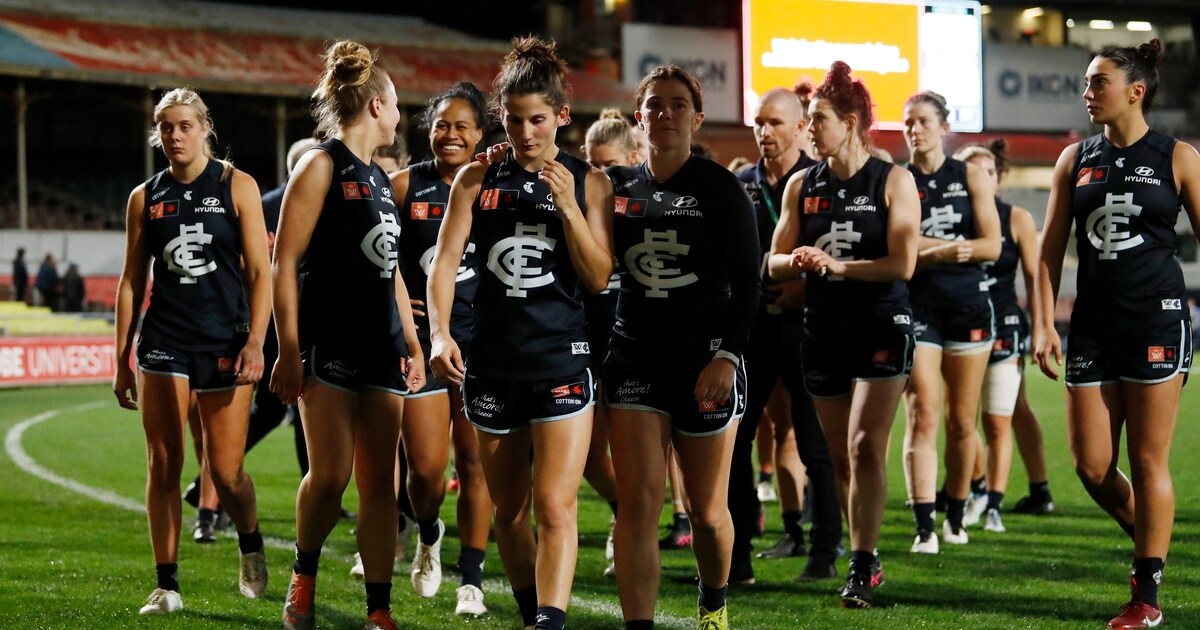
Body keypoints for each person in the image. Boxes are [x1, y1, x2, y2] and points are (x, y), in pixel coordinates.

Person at [426, 36, 613, 630]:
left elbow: (598, 275)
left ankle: (549, 623)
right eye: (514, 119)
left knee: (557, 506)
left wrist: (569, 208)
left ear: (562, 116)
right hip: (492, 363)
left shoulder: (589, 183)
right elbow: (444, 264)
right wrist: (438, 334)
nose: (527, 132)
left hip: (561, 359)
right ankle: (535, 612)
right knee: (510, 510)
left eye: (538, 119)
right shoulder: (475, 180)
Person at [1034, 38, 1200, 630]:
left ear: (1136, 90)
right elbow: (1049, 251)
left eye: (1097, 82)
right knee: (1091, 465)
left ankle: (1146, 594)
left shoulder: (1178, 156)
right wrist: (1042, 322)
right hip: (1092, 326)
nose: (1086, 93)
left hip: (1156, 319)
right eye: (1085, 82)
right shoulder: (1074, 159)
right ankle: (1149, 536)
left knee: (1149, 459)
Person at [272, 40, 425, 630]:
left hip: (382, 349)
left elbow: (389, 275)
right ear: (379, 105)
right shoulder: (320, 165)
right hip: (329, 345)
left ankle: (379, 610)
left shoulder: (383, 181)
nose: (398, 116)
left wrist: (411, 341)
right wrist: (287, 349)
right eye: (396, 106)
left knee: (380, 488)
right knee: (331, 477)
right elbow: (285, 263)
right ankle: (302, 580)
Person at [605, 64, 759, 630]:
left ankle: (713, 603)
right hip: (635, 359)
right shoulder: (617, 187)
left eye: (676, 104)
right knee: (640, 506)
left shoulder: (721, 188)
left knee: (708, 512)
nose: (664, 113)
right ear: (639, 116)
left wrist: (727, 357)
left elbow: (749, 282)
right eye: (654, 104)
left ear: (695, 118)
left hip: (705, 365)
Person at [112, 87, 270, 615]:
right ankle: (166, 584)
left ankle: (250, 540)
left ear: (205, 128)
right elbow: (133, 280)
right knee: (163, 463)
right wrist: (121, 358)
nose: (175, 136)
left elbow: (259, 272)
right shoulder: (144, 197)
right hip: (165, 341)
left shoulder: (236, 185)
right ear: (157, 134)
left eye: (185, 126)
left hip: (225, 341)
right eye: (166, 128)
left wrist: (255, 341)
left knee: (224, 473)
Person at [768, 60, 919, 608]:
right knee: (838, 453)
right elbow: (772, 261)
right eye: (808, 120)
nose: (809, 130)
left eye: (818, 119)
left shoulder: (893, 180)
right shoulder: (801, 185)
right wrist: (798, 260)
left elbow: (902, 263)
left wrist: (837, 266)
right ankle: (864, 554)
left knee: (864, 443)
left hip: (881, 322)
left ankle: (861, 561)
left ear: (852, 121)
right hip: (822, 329)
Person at [385, 80, 494, 616]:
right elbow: (388, 269)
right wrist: (412, 322)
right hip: (425, 343)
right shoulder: (404, 187)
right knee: (426, 472)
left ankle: (471, 579)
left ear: (480, 135)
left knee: (475, 463)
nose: (450, 135)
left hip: (487, 344)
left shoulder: (498, 184)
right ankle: (428, 531)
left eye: (462, 127)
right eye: (441, 125)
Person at [731, 81, 843, 586]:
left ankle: (824, 552)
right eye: (758, 121)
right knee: (735, 441)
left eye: (775, 121)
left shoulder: (821, 182)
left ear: (801, 127)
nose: (764, 130)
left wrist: (809, 289)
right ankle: (739, 555)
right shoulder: (742, 184)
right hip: (753, 331)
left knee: (816, 445)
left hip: (809, 329)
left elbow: (842, 255)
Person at [900, 90, 1000, 553]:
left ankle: (956, 513)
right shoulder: (895, 180)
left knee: (963, 422)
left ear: (944, 126)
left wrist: (932, 248)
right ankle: (925, 525)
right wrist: (944, 249)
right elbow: (897, 249)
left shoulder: (971, 175)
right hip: (917, 308)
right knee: (923, 413)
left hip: (968, 306)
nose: (914, 130)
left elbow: (991, 246)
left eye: (922, 121)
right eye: (907, 122)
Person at [952, 139, 1049, 533]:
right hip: (959, 321)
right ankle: (977, 487)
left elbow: (1035, 278)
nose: (982, 178)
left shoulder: (1017, 218)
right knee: (959, 418)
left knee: (1001, 418)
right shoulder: (950, 216)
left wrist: (1042, 328)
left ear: (999, 176)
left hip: (1005, 323)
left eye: (989, 171)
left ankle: (994, 499)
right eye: (973, 172)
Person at [579, 108, 637, 578]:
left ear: (634, 158)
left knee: (641, 449)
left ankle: (636, 529)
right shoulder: (585, 198)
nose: (604, 173)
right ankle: (626, 509)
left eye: (613, 165)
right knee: (590, 457)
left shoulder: (647, 200)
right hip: (588, 337)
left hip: (637, 339)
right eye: (595, 165)